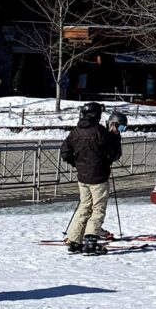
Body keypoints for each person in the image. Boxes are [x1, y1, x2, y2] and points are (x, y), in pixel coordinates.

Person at [61, 101, 123, 255]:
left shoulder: (75, 132)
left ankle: (75, 241)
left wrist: (78, 164)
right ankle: (90, 240)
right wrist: (115, 137)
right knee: (97, 209)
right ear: (97, 115)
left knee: (84, 207)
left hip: (83, 177)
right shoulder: (100, 132)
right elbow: (114, 154)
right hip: (99, 177)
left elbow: (65, 153)